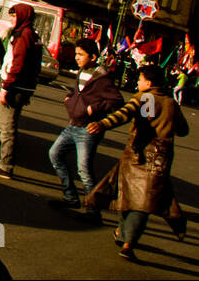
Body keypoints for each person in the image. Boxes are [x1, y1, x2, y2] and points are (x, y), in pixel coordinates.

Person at [88, 64, 189, 261]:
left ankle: (127, 241)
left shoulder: (148, 98)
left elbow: (125, 114)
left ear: (149, 83)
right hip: (161, 158)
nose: (137, 82)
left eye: (140, 79)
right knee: (143, 199)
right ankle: (125, 237)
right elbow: (183, 130)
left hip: (140, 154)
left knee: (134, 198)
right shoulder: (170, 102)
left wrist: (102, 124)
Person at [48, 38, 123, 216]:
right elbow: (80, 92)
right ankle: (71, 197)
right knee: (54, 154)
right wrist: (70, 97)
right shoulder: (81, 71)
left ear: (93, 56)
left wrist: (95, 108)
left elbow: (117, 101)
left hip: (88, 130)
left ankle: (93, 211)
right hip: (73, 125)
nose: (77, 58)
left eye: (81, 55)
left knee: (84, 170)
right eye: (76, 54)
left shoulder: (103, 79)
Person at [0, 3, 42, 180]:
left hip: (13, 87)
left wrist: (7, 88)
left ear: (23, 17)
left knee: (6, 127)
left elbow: (18, 64)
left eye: (14, 16)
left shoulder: (24, 36)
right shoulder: (29, 35)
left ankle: (5, 165)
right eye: (11, 16)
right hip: (17, 86)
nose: (11, 19)